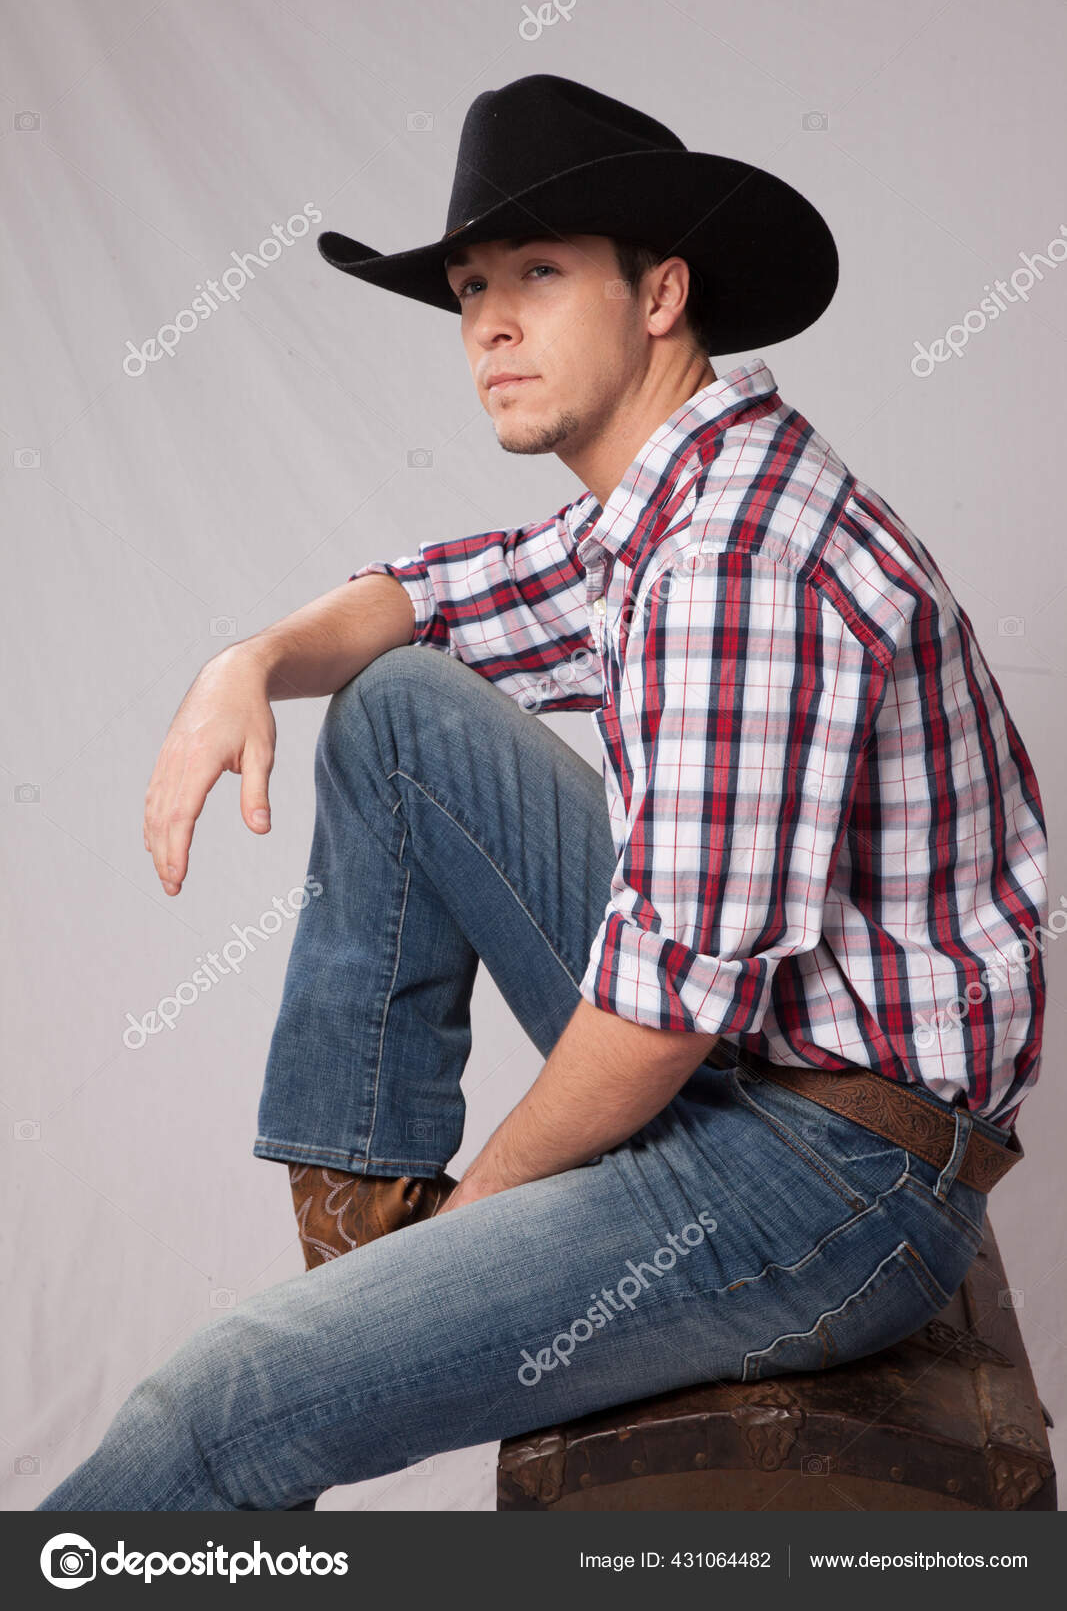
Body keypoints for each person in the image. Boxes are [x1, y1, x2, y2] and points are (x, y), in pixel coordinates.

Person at [38, 75, 1046, 1512]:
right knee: (395, 709)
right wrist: (247, 660)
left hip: (836, 1179)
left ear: (660, 295)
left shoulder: (734, 563)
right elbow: (433, 597)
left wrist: (479, 1223)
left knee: (227, 1400)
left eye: (539, 273)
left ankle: (368, 1300)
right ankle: (369, 1250)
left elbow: (655, 1023)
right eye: (468, 289)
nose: (491, 325)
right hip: (761, 1068)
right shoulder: (671, 503)